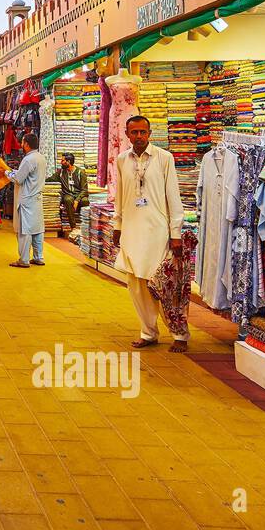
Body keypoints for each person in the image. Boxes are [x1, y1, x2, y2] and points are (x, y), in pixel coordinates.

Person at [112, 115, 188, 353]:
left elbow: (173, 197)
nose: (138, 137)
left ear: (149, 133)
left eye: (142, 132)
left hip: (158, 231)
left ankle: (179, 334)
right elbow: (120, 197)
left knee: (164, 285)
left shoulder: (164, 158)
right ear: (127, 134)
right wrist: (117, 226)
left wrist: (176, 232)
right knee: (136, 285)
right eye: (133, 132)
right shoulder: (122, 160)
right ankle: (148, 332)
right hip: (132, 231)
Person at [7, 133, 46, 267]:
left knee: (25, 230)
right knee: (38, 229)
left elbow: (19, 179)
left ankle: (23, 259)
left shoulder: (28, 159)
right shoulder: (41, 158)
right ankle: (38, 257)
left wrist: (8, 173)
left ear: (27, 144)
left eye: (22, 142)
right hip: (37, 197)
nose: (21, 145)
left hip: (27, 199)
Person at [49, 152, 89, 235]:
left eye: (63, 160)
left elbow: (85, 190)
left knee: (85, 200)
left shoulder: (80, 172)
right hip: (68, 195)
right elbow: (50, 179)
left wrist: (77, 200)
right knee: (68, 199)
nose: (61, 162)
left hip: (79, 195)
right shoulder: (61, 173)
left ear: (69, 162)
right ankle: (73, 227)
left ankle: (85, 226)